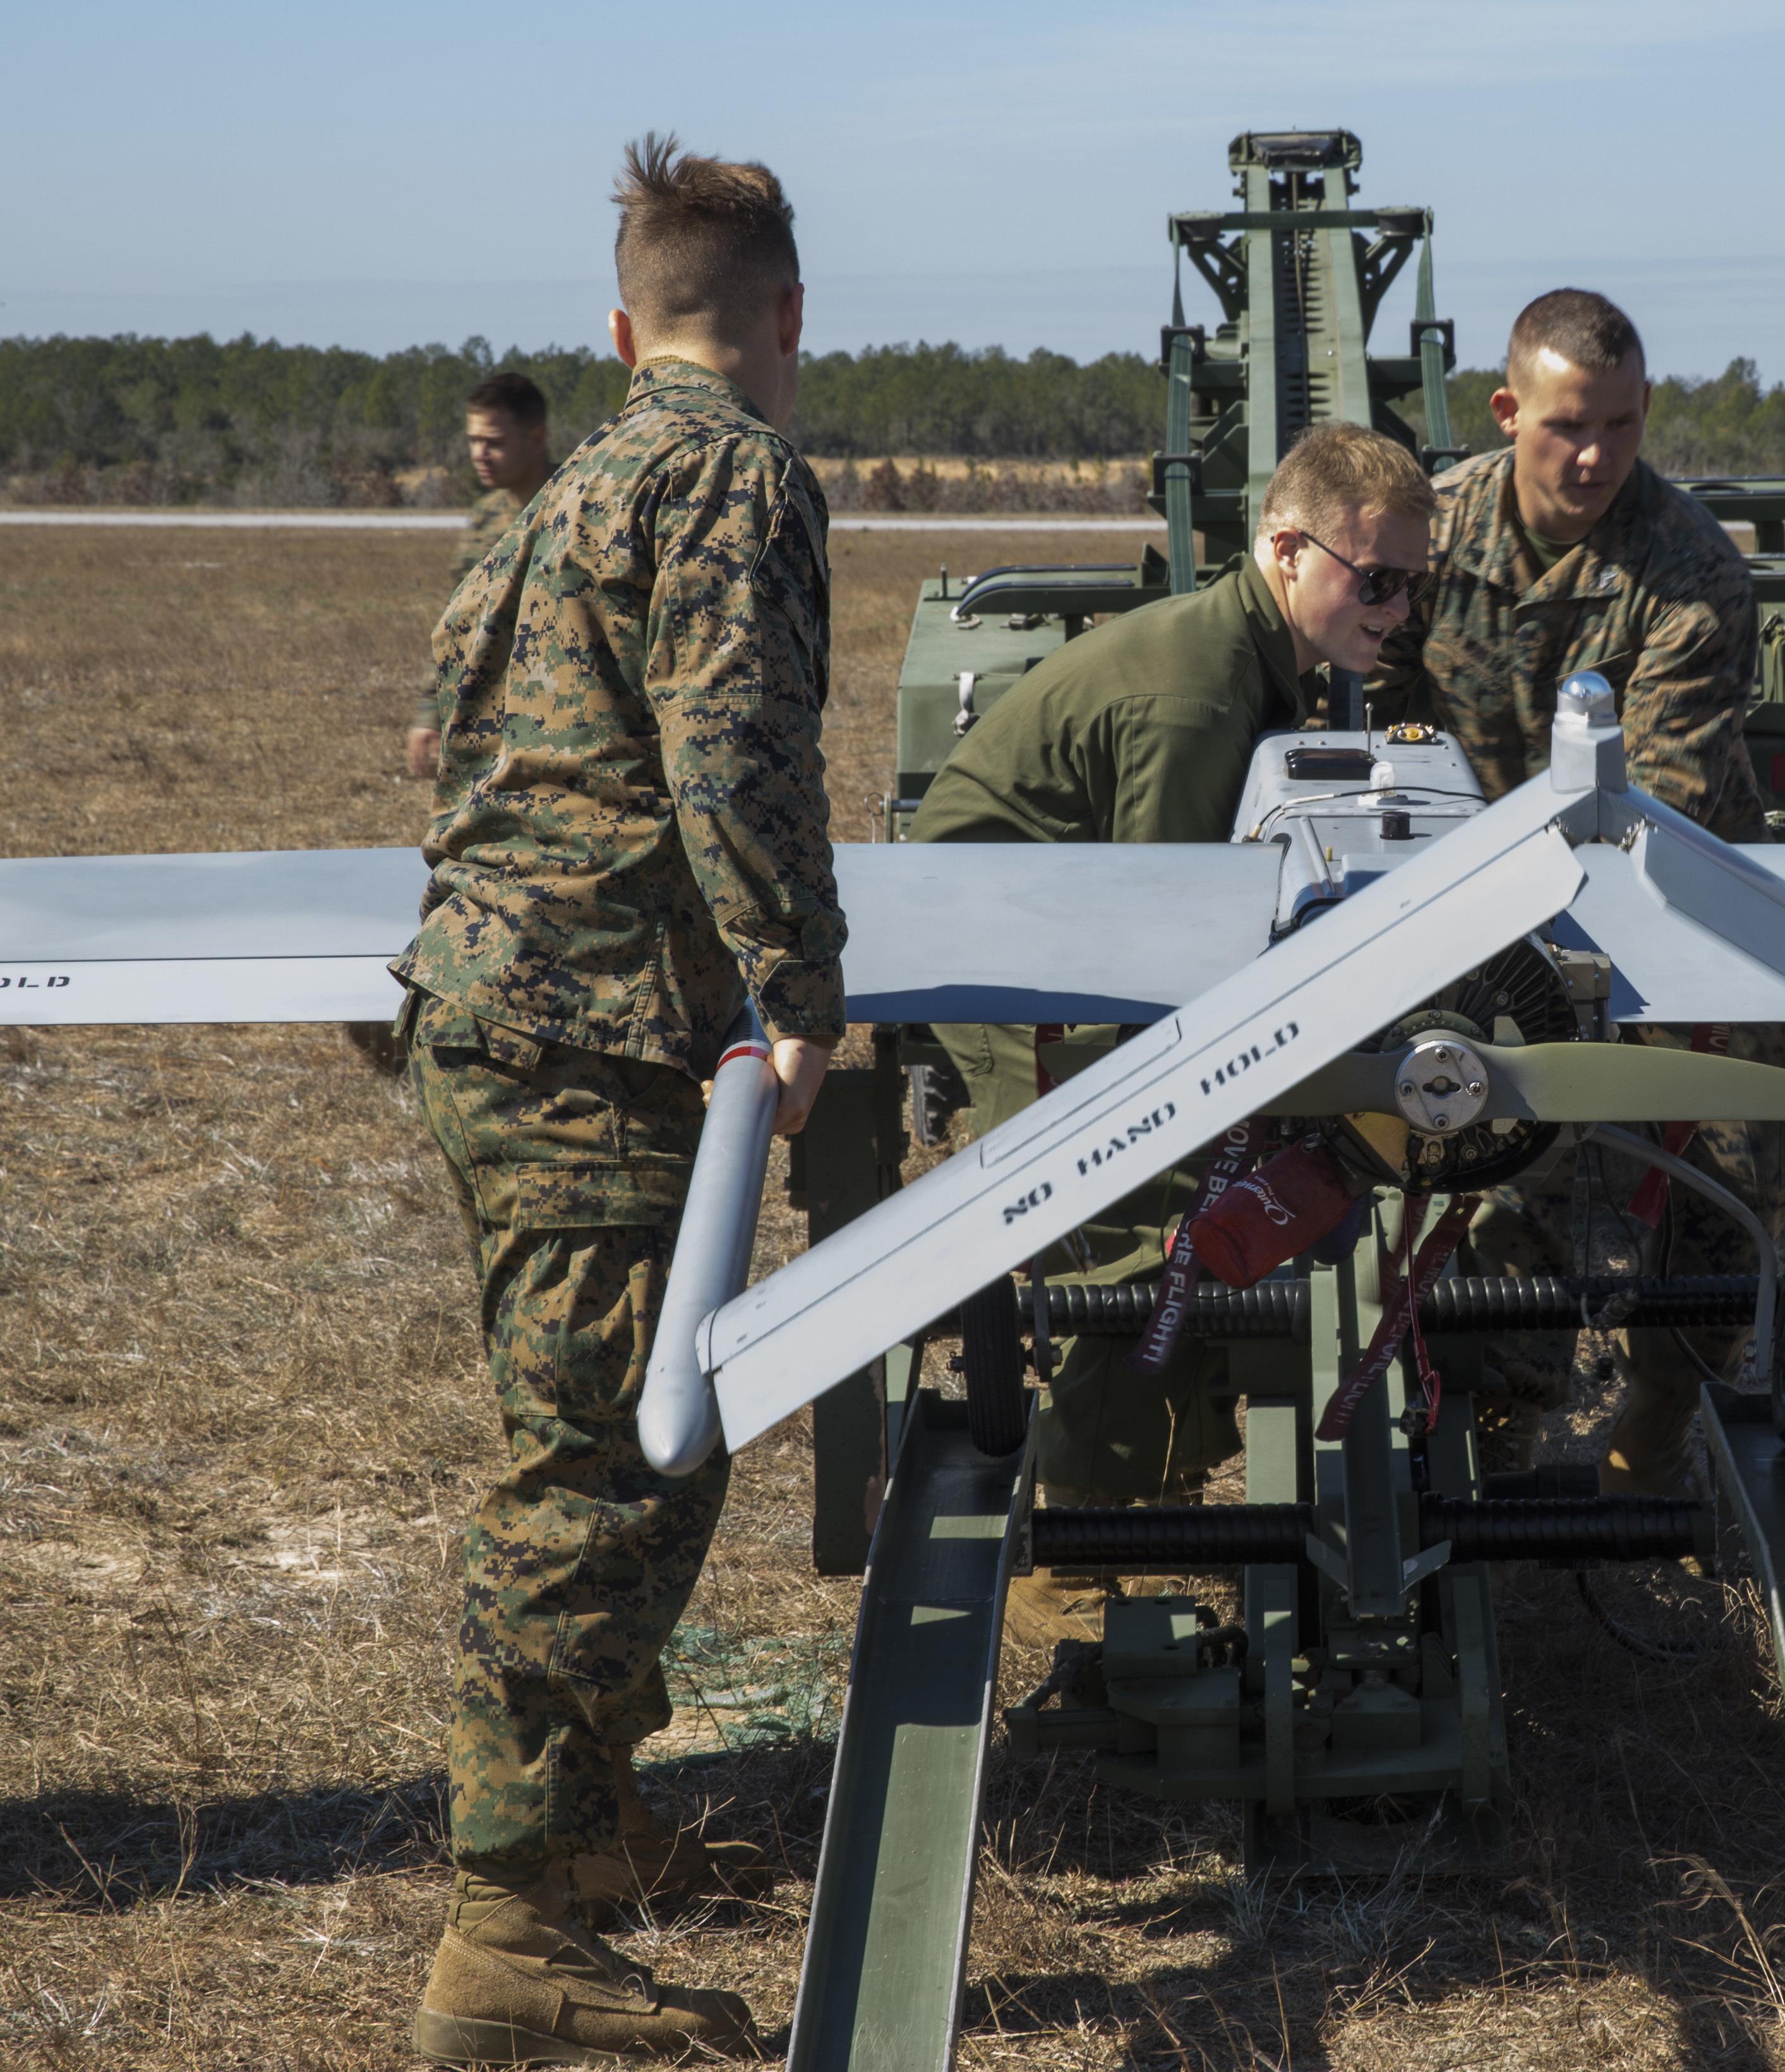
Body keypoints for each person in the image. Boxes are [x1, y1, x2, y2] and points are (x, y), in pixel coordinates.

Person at [392, 133, 844, 2066]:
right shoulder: (728, 475)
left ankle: (580, 1835)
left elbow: (463, 747)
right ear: (787, 322)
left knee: (647, 1447)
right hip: (586, 1038)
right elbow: (726, 748)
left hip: (515, 1020)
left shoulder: (558, 489)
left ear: (622, 321)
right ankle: (505, 1944)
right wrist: (803, 984)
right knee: (590, 1471)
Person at [913, 420, 1434, 1640]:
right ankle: (1072, 1544)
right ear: (1284, 550)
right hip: (1001, 952)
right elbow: (1168, 954)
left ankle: (1146, 1478)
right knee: (1156, 1204)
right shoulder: (1200, 692)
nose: (1400, 610)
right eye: (1379, 579)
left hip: (1060, 930)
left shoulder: (1262, 655)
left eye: (1417, 581)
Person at [1370, 288, 1785, 1498]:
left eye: (1621, 427)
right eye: (1569, 425)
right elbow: (1372, 716)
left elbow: (1649, 812)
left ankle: (1662, 1414)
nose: (1595, 456)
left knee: (1744, 1157)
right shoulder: (1430, 533)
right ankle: (1490, 1425)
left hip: (1674, 896)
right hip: (1477, 900)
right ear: (1508, 410)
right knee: (1488, 1152)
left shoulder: (1689, 575)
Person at [404, 371, 556, 781]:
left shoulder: (579, 508)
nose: (479, 454)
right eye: (474, 441)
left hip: (562, 728)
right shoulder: (485, 520)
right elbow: (458, 626)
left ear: (536, 437)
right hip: (491, 731)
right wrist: (429, 713)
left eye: (494, 443)